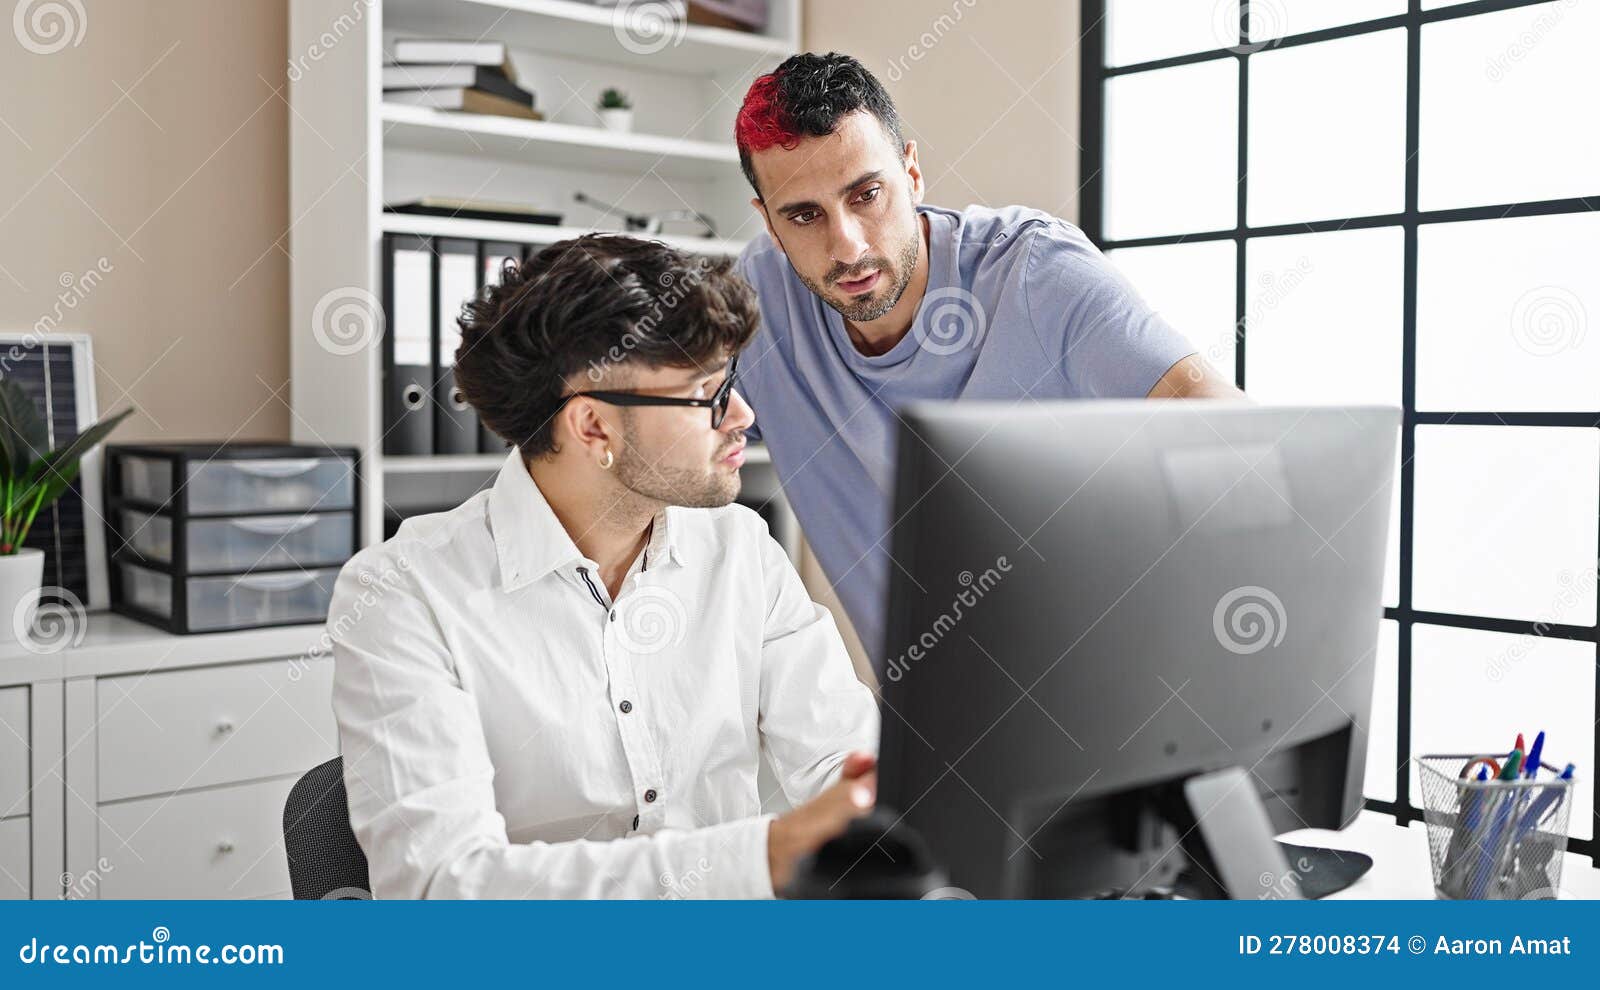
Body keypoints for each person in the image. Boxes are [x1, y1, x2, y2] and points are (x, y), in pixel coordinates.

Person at [328, 235, 879, 899]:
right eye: (705, 393)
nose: (741, 417)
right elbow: (443, 886)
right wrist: (762, 857)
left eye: (729, 382)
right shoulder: (404, 593)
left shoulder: (742, 549)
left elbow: (838, 759)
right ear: (593, 428)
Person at [732, 53, 1243, 674]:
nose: (849, 245)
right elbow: (661, 434)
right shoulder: (759, 301)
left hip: (1122, 680)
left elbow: (1224, 430)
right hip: (938, 724)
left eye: (867, 195)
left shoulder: (1035, 270)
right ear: (768, 222)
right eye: (804, 215)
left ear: (912, 173)